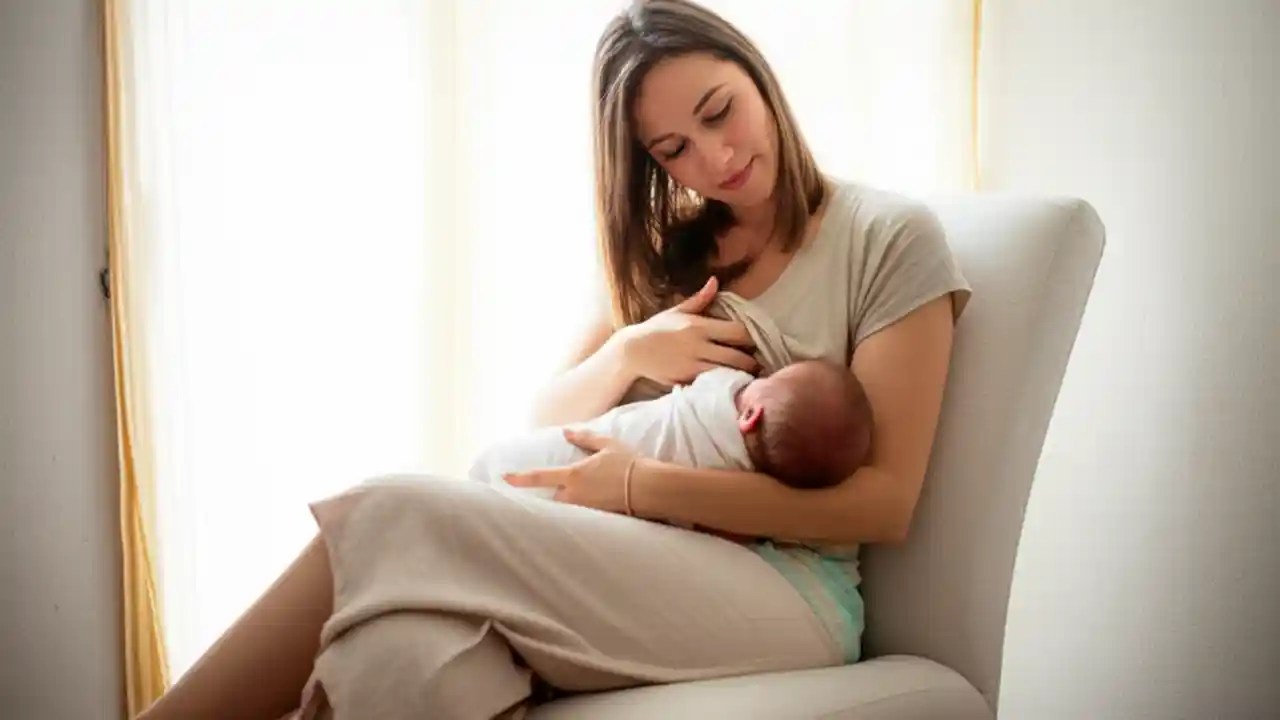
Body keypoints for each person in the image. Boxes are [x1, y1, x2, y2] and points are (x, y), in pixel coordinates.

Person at [137, 1, 971, 717]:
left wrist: (641, 486)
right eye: (674, 150)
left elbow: (881, 503)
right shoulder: (669, 251)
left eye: (720, 112)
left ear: (757, 74)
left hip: (790, 590)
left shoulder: (885, 239)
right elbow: (546, 419)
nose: (713, 160)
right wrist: (630, 349)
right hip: (621, 551)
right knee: (403, 654)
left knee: (392, 513)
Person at [471, 357, 874, 504]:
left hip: (574, 448)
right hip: (585, 497)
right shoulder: (735, 482)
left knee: (500, 467)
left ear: (749, 415)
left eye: (775, 375)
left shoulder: (721, 392)